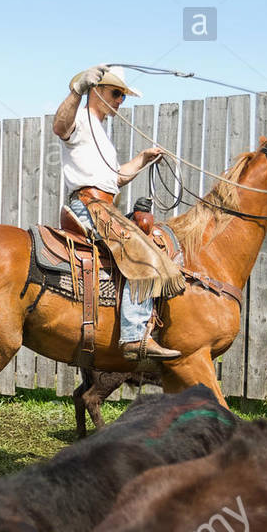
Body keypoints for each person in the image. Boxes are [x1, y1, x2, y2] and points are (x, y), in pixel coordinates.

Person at [53, 64, 186, 361]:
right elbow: (60, 127)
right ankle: (134, 334)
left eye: (123, 96)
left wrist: (143, 158)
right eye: (116, 93)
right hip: (90, 206)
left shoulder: (100, 132)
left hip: (103, 204)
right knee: (143, 252)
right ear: (97, 90)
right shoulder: (81, 120)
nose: (119, 101)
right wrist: (77, 89)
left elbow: (116, 177)